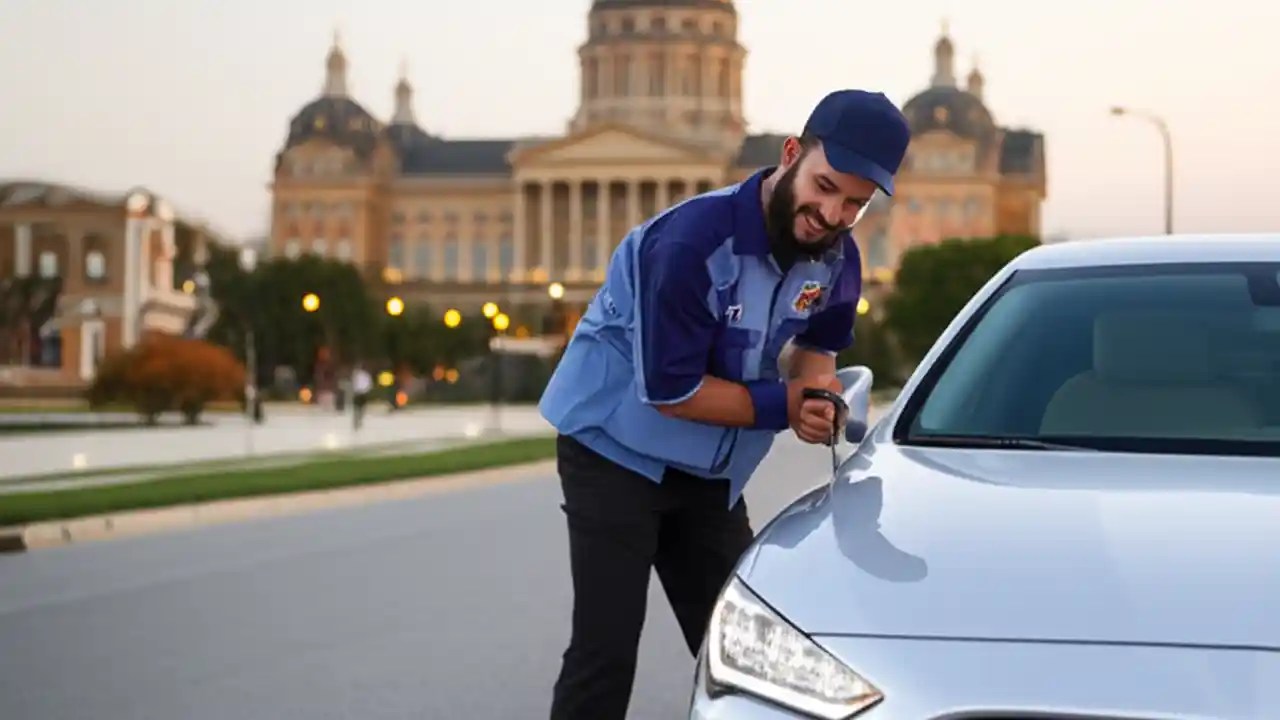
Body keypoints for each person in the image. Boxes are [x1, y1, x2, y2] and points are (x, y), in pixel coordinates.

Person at [537, 88, 911, 720]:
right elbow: (672, 391)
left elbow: (817, 344)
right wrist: (786, 404)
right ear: (791, 154)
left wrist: (817, 396)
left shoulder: (838, 258)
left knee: (749, 650)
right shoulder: (690, 243)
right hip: (613, 450)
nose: (833, 212)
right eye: (824, 186)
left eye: (854, 202)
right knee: (606, 652)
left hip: (708, 475)